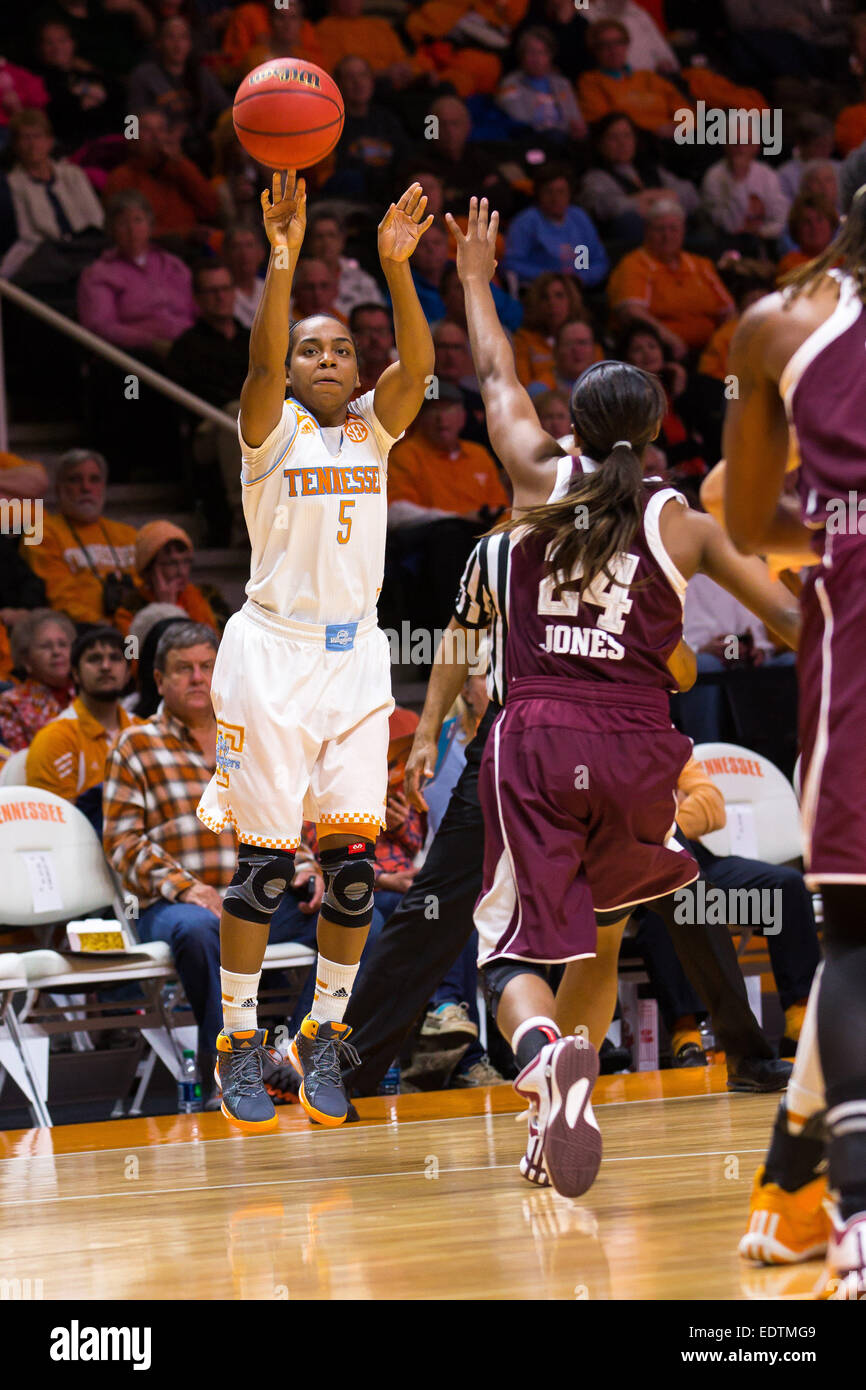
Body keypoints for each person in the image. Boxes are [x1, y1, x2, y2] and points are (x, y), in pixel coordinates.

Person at [445, 196, 798, 1199]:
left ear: (574, 423)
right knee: (603, 931)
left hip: (541, 734)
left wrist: (474, 278)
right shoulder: (679, 519)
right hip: (642, 744)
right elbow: (784, 617)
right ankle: (568, 1101)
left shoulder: (529, 471)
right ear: (650, 430)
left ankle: (544, 1046)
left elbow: (498, 377)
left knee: (506, 946)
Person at [195, 173, 434, 1133]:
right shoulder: (270, 426)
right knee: (261, 870)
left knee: (351, 872)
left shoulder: (373, 432)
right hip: (270, 655)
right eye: (311, 349)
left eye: (342, 347)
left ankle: (321, 1037)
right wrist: (283, 258)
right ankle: (238, 1042)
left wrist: (396, 268)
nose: (326, 358)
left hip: (354, 662)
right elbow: (258, 358)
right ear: (290, 369)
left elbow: (416, 366)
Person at [724, 189, 866, 1297]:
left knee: (855, 932)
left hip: (850, 610)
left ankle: (797, 1195)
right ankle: (841, 1200)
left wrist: (831, 526)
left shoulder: (778, 318)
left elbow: (751, 521)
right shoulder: (784, 320)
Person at [103, 621, 327, 1098]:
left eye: (208, 666)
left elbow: (281, 816)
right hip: (177, 906)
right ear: (159, 681)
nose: (198, 678)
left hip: (254, 897)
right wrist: (190, 889)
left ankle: (292, 1052)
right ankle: (231, 1072)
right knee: (203, 928)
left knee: (350, 916)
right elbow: (123, 842)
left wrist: (305, 866)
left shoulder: (249, 737)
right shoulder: (135, 744)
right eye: (184, 669)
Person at [26, 625, 138, 828]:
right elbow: (54, 828)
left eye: (115, 658)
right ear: (75, 674)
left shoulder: (143, 729)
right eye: (94, 659)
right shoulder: (55, 738)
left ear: (128, 673)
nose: (106, 666)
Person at [25, 449, 139, 629]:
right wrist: (107, 629)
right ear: (58, 489)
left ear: (103, 486)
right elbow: (59, 600)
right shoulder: (40, 534)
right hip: (84, 633)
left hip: (137, 629)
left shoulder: (129, 534)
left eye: (94, 480)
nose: (86, 488)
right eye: (75, 480)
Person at [608, 198, 734, 357]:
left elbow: (728, 311)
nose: (667, 236)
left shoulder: (701, 264)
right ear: (647, 231)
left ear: (683, 231)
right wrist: (671, 339)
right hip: (663, 352)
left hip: (710, 349)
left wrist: (721, 342)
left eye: (673, 229)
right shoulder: (634, 264)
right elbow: (632, 312)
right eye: (660, 229)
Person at [77, 190, 196, 354]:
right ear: (111, 230)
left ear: (150, 225)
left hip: (190, 347)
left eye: (138, 220)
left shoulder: (172, 264)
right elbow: (101, 326)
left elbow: (196, 309)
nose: (132, 230)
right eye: (122, 223)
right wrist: (151, 343)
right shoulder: (99, 273)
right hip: (137, 356)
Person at [103, 107, 219, 247]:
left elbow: (211, 208)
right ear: (132, 138)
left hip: (193, 248)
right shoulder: (121, 177)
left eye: (161, 130)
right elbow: (121, 230)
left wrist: (180, 162)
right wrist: (182, 235)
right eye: (147, 130)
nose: (156, 137)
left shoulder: (179, 168)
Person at [502, 164, 609, 289]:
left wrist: (582, 277)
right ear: (538, 194)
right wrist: (551, 278)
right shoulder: (525, 222)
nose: (555, 198)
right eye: (548, 192)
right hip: (541, 293)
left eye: (561, 192)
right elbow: (510, 264)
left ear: (570, 194)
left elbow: (599, 260)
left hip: (580, 289)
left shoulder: (579, 218)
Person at [165, 260, 250, 406]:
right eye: (212, 291)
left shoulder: (253, 339)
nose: (220, 297)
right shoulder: (186, 347)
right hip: (217, 419)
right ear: (197, 298)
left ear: (234, 293)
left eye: (225, 289)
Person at [0, 609, 75, 750]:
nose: (57, 652)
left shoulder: (87, 696)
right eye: (46, 646)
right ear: (26, 659)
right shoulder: (10, 704)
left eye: (63, 645)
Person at [495, 26, 587, 142]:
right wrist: (561, 128)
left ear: (550, 56)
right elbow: (518, 121)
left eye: (543, 53)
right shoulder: (509, 84)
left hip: (564, 138)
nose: (537, 59)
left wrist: (577, 128)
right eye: (531, 53)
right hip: (528, 139)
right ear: (521, 56)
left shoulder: (562, 84)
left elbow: (574, 117)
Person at [134, 521, 216, 629]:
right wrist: (167, 609)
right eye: (171, 563)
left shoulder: (199, 597)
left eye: (186, 561)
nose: (182, 572)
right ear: (148, 570)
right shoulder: (130, 610)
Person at [306, 210, 384, 318]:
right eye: (319, 236)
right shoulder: (294, 280)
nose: (326, 242)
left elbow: (378, 318)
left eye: (331, 235)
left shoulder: (362, 280)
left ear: (342, 240)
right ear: (309, 242)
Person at [221, 225, 265, 330]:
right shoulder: (220, 294)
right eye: (236, 247)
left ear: (261, 253)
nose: (244, 253)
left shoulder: (272, 290)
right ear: (225, 255)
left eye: (249, 246)